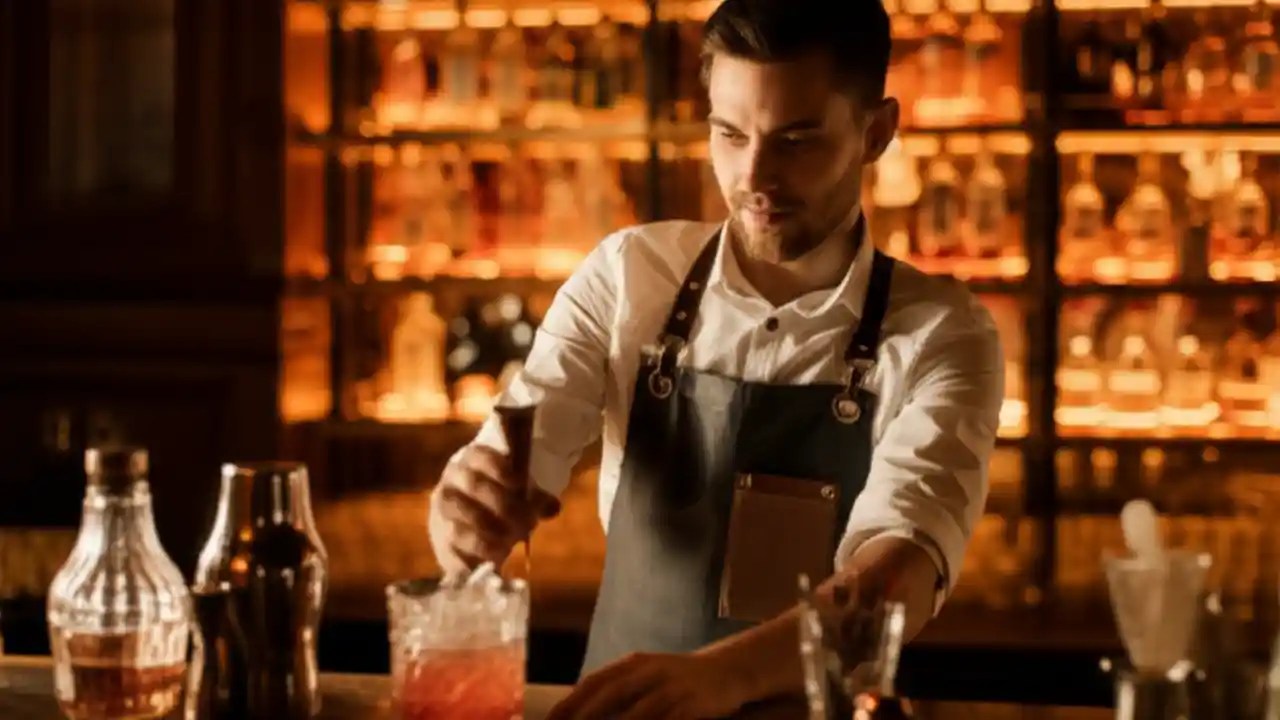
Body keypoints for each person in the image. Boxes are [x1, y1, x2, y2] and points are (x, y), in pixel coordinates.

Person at [427, 0, 1004, 716]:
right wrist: (464, 513)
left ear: (876, 132)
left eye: (796, 140)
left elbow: (898, 575)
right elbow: (517, 448)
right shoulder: (626, 276)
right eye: (730, 134)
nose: (754, 175)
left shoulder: (943, 336)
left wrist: (718, 680)